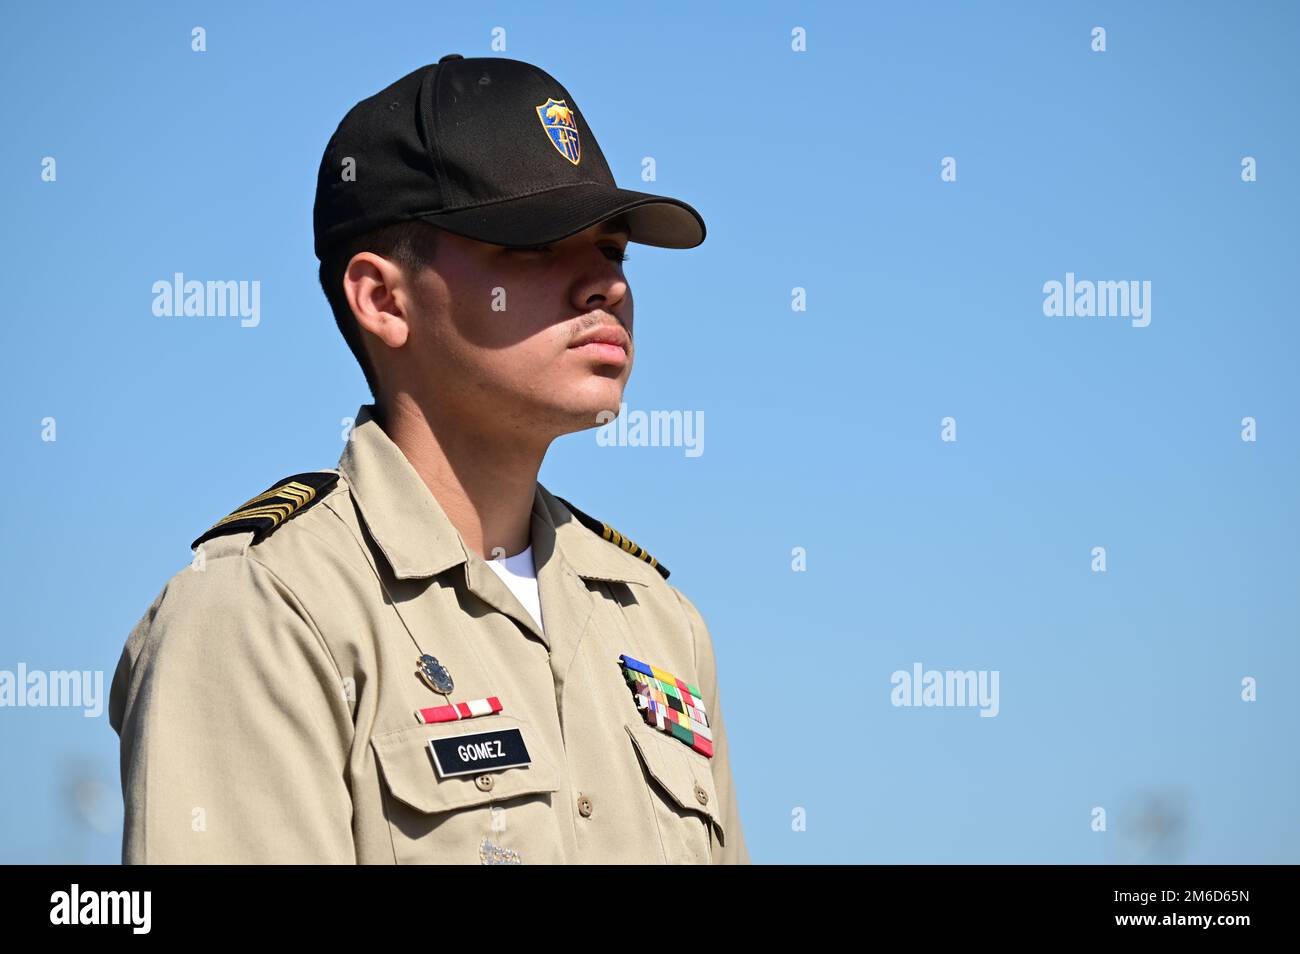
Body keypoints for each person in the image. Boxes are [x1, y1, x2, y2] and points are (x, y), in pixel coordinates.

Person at [107, 54, 749, 864]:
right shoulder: (267, 608)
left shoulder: (659, 623)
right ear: (383, 299)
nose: (606, 286)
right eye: (535, 244)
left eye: (614, 249)